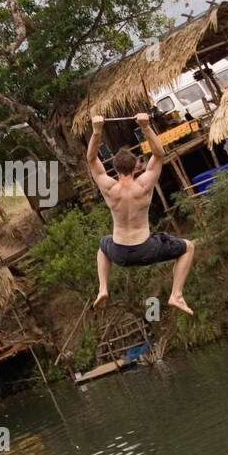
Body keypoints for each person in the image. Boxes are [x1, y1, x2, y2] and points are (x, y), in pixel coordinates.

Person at [87, 113, 196, 314]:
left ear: (115, 168)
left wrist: (96, 132)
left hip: (119, 253)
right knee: (188, 247)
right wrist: (145, 127)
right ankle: (176, 295)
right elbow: (159, 154)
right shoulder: (144, 185)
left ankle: (103, 287)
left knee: (103, 246)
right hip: (146, 249)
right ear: (136, 166)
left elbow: (92, 158)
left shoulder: (108, 187)